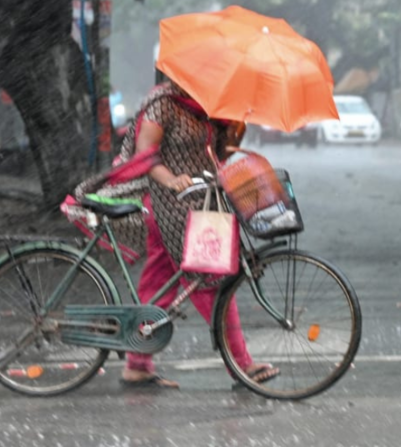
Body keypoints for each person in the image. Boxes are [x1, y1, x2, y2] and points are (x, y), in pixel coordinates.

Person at [114, 80, 279, 389]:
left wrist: (233, 129)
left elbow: (216, 154)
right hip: (167, 206)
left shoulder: (207, 107)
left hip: (199, 203)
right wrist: (171, 179)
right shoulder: (162, 104)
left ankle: (137, 364)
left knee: (158, 284)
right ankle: (242, 365)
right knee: (211, 281)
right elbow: (145, 156)